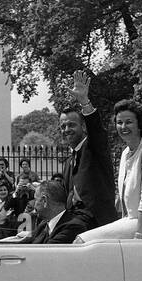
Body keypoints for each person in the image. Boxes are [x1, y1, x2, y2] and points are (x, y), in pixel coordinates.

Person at [76, 99, 142, 241]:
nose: (123, 126)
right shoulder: (125, 153)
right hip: (132, 220)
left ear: (140, 124)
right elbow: (125, 201)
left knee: (82, 240)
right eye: (119, 122)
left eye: (129, 122)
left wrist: (138, 235)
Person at [55, 70, 117, 230]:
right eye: (63, 126)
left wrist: (84, 101)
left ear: (83, 126)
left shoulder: (94, 147)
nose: (66, 129)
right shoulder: (69, 161)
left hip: (96, 220)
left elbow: (96, 129)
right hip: (73, 217)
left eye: (71, 125)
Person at [20, 179, 79, 245]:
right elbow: (25, 243)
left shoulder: (72, 227)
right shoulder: (44, 223)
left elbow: (44, 252)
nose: (34, 205)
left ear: (44, 201)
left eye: (36, 199)